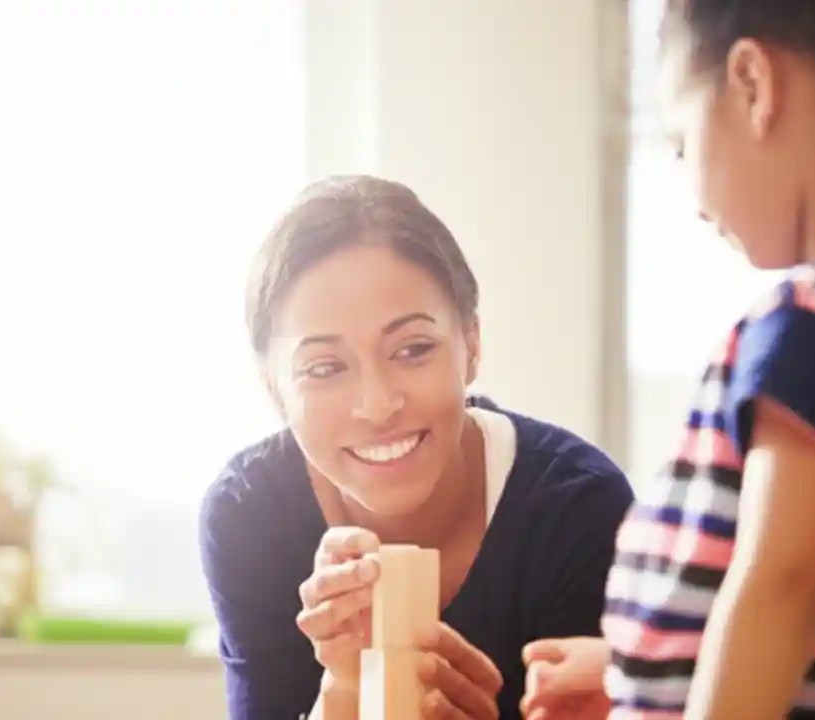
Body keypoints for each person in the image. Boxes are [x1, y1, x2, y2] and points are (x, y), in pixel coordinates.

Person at [521, 1, 815, 718]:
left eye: (681, 139)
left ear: (752, 85)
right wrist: (631, 670)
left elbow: (783, 583)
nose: (695, 200)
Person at [198, 175, 633, 719]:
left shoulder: (577, 508)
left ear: (471, 345)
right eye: (325, 368)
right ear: (274, 390)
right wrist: (347, 689)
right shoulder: (250, 516)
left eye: (412, 349)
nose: (377, 405)